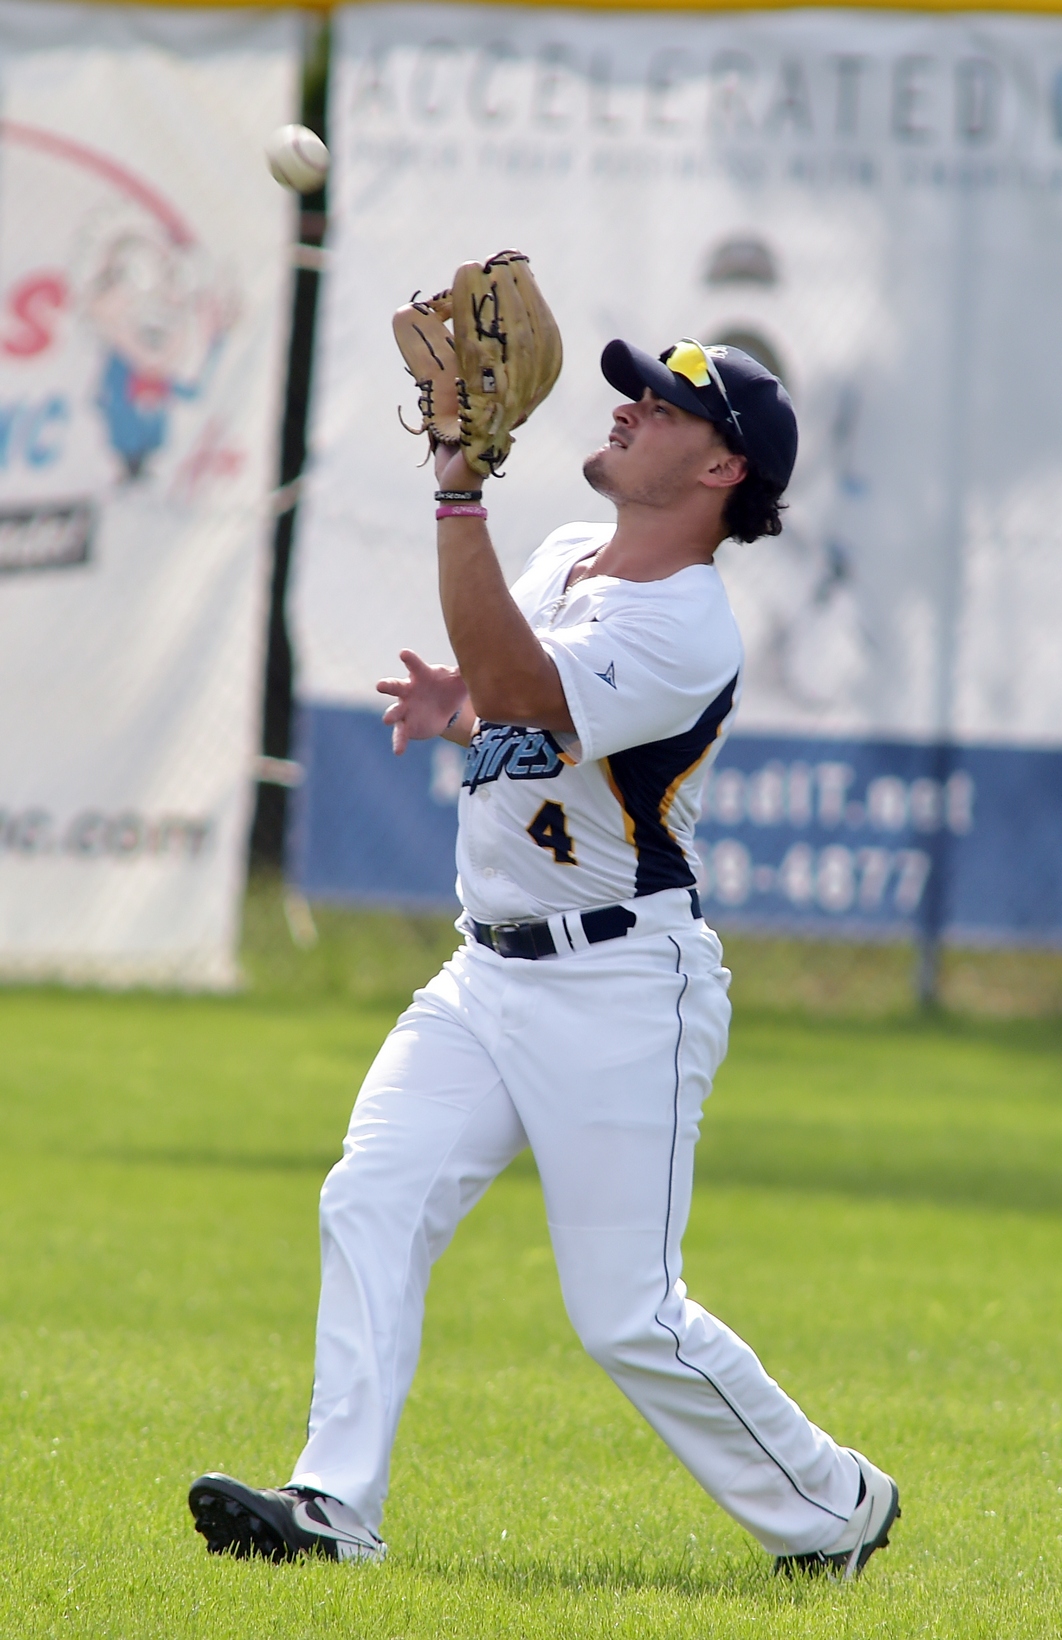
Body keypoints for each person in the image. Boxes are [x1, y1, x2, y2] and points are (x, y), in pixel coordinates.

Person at [188, 337, 901, 1578]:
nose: (631, 406)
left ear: (724, 465)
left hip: (622, 985)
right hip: (487, 973)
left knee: (627, 1314)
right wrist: (454, 706)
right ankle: (331, 1502)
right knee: (372, 1194)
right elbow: (516, 702)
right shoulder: (570, 551)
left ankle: (836, 1506)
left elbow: (529, 685)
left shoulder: (690, 626)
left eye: (669, 403)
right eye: (634, 386)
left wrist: (458, 489)